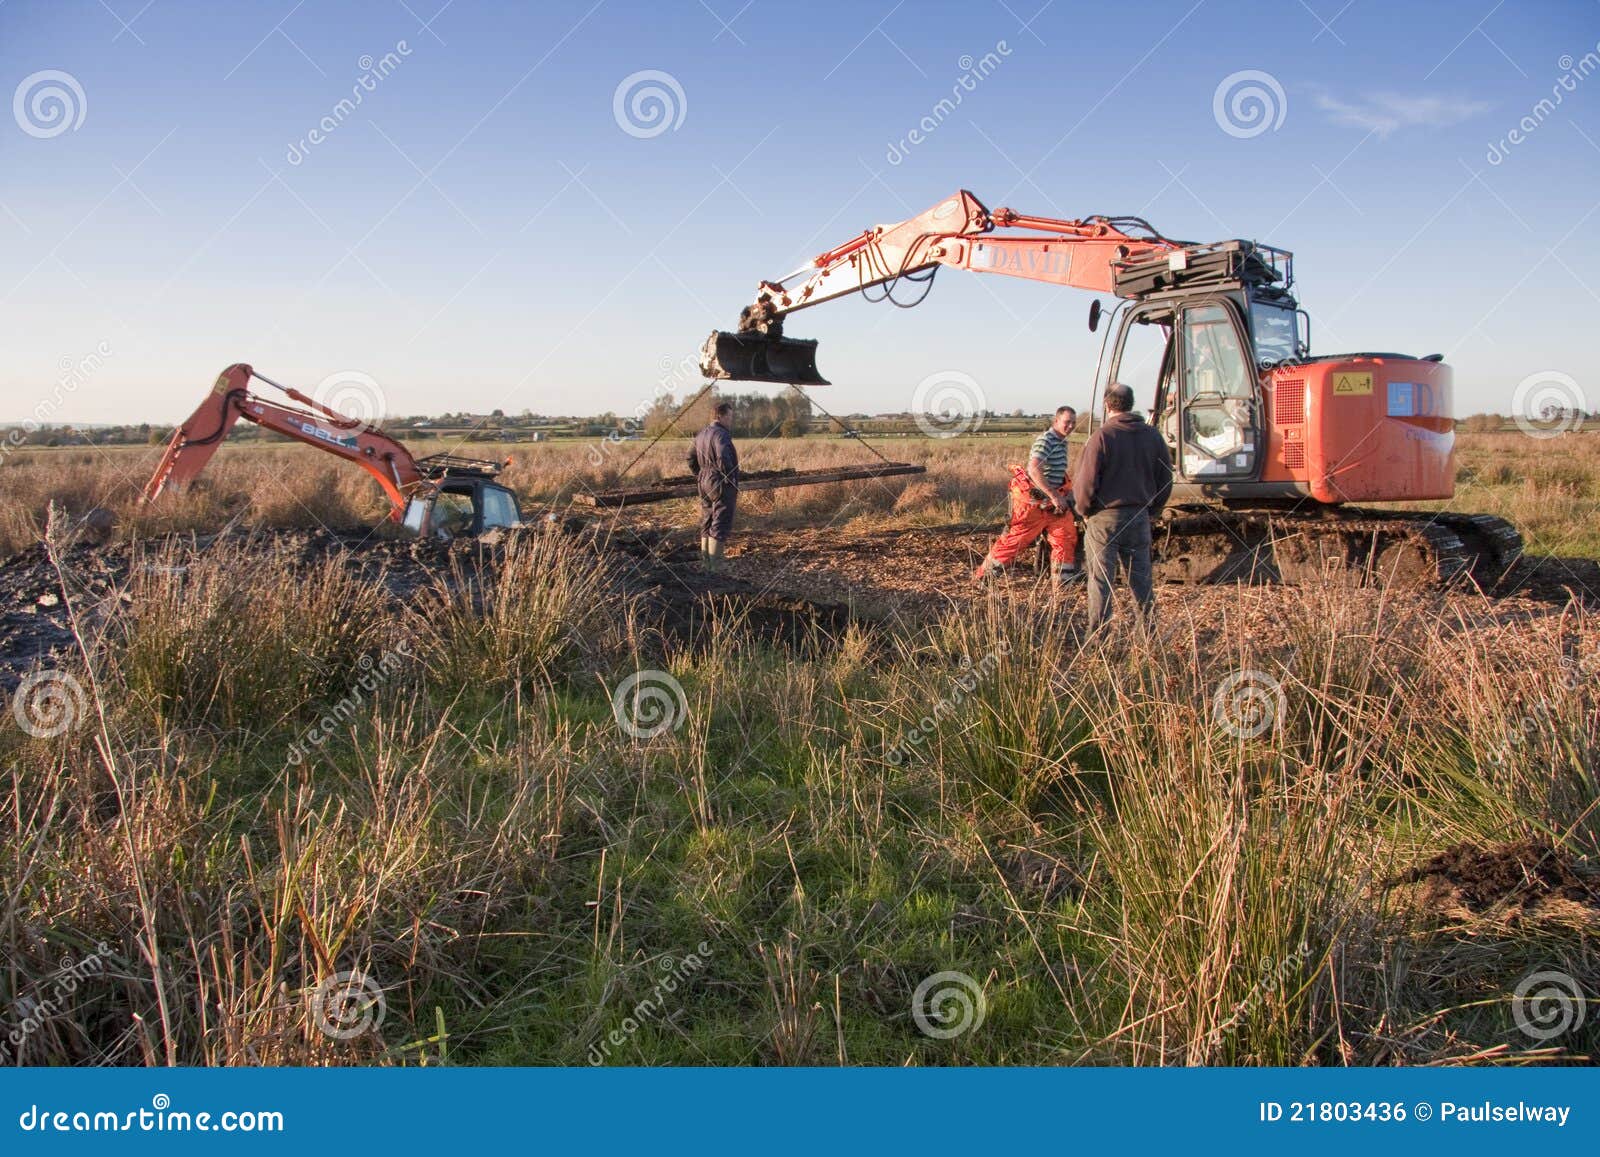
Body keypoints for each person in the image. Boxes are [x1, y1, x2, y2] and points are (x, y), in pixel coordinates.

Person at [1073, 382, 1173, 629]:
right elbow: (1166, 479)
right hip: (1139, 517)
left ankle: (1098, 642)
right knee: (1142, 582)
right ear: (1131, 404)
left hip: (1104, 519)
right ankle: (1147, 638)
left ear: (1107, 405)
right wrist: (1153, 510)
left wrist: (1084, 511)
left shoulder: (1102, 437)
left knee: (1100, 581)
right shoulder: (1153, 436)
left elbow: (1084, 483)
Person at [974, 406, 1080, 586]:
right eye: (1067, 422)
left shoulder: (1061, 442)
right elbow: (1034, 469)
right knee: (1015, 542)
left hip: (1053, 505)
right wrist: (1054, 495)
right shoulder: (1046, 440)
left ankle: (1063, 585)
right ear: (1056, 421)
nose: (1070, 426)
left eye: (1073, 423)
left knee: (1066, 537)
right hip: (1035, 504)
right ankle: (983, 579)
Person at [688, 400, 739, 570]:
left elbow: (690, 458)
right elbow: (723, 456)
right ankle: (716, 568)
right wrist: (728, 478)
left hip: (703, 481)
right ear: (721, 416)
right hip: (719, 480)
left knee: (707, 520)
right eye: (729, 416)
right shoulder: (721, 434)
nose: (731, 420)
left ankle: (707, 565)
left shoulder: (701, 434)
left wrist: (700, 474)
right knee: (721, 521)